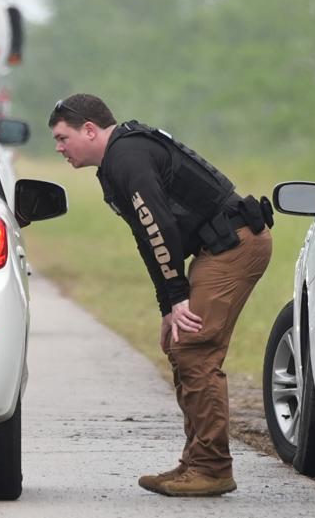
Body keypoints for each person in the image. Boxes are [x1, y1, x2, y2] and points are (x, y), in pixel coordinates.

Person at [49, 95, 273, 497]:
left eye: (63, 137)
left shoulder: (127, 156)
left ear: (89, 128)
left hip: (234, 244)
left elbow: (159, 225)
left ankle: (212, 468)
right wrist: (168, 304)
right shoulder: (116, 162)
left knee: (194, 348)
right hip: (213, 248)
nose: (59, 148)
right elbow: (147, 238)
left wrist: (178, 296)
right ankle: (195, 462)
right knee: (179, 341)